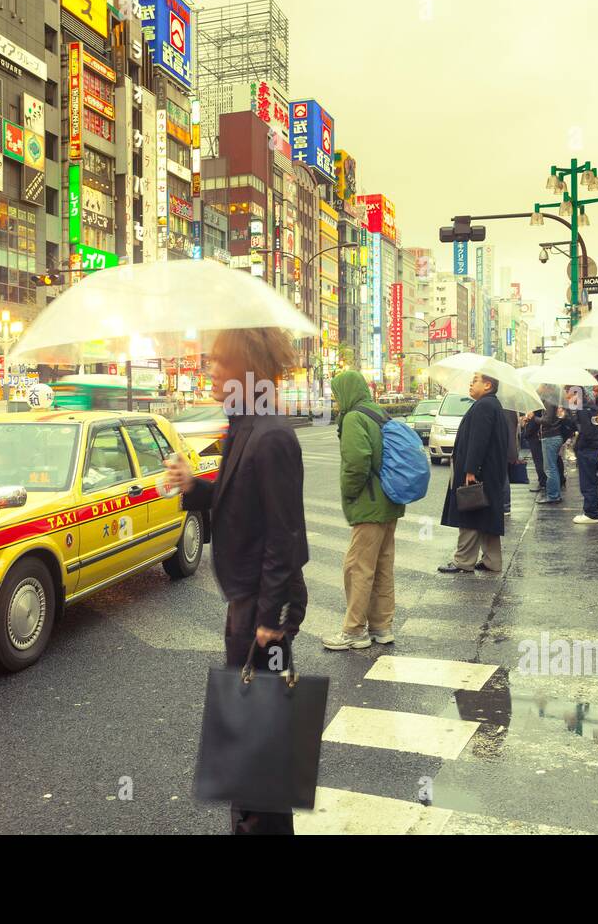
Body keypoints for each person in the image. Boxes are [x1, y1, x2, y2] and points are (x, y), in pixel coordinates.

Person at [164, 327, 309, 835]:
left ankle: (259, 826)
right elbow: (236, 498)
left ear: (246, 372)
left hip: (259, 610)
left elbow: (284, 534)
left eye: (221, 364)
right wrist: (193, 486)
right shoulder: (245, 426)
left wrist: (270, 621)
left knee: (260, 736)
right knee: (249, 731)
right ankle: (248, 822)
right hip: (245, 603)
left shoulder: (271, 436)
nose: (212, 373)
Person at [323, 371, 404, 651]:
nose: (335, 400)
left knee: (357, 567)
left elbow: (357, 461)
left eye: (336, 394)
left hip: (370, 504)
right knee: (382, 566)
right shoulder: (377, 412)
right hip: (391, 500)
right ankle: (382, 626)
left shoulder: (354, 417)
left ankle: (354, 630)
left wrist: (349, 492)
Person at [437, 373, 509, 574]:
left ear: (487, 385)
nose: (471, 382)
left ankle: (463, 561)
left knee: (471, 512)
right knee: (487, 516)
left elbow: (479, 441)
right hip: (490, 471)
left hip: (479, 472)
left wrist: (471, 470)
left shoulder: (485, 406)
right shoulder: (492, 404)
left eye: (475, 380)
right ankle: (492, 561)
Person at [570, 379, 598, 525]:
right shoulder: (589, 407)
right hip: (593, 447)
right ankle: (591, 511)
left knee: (587, 482)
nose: (568, 398)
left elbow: (586, 431)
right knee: (590, 481)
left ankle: (591, 513)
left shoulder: (582, 409)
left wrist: (578, 446)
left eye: (570, 395)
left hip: (588, 449)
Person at [535, 399, 574, 506]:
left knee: (550, 468)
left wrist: (533, 418)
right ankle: (554, 494)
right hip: (555, 437)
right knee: (552, 467)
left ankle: (553, 496)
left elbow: (547, 421)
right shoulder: (555, 400)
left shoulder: (549, 401)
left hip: (550, 437)